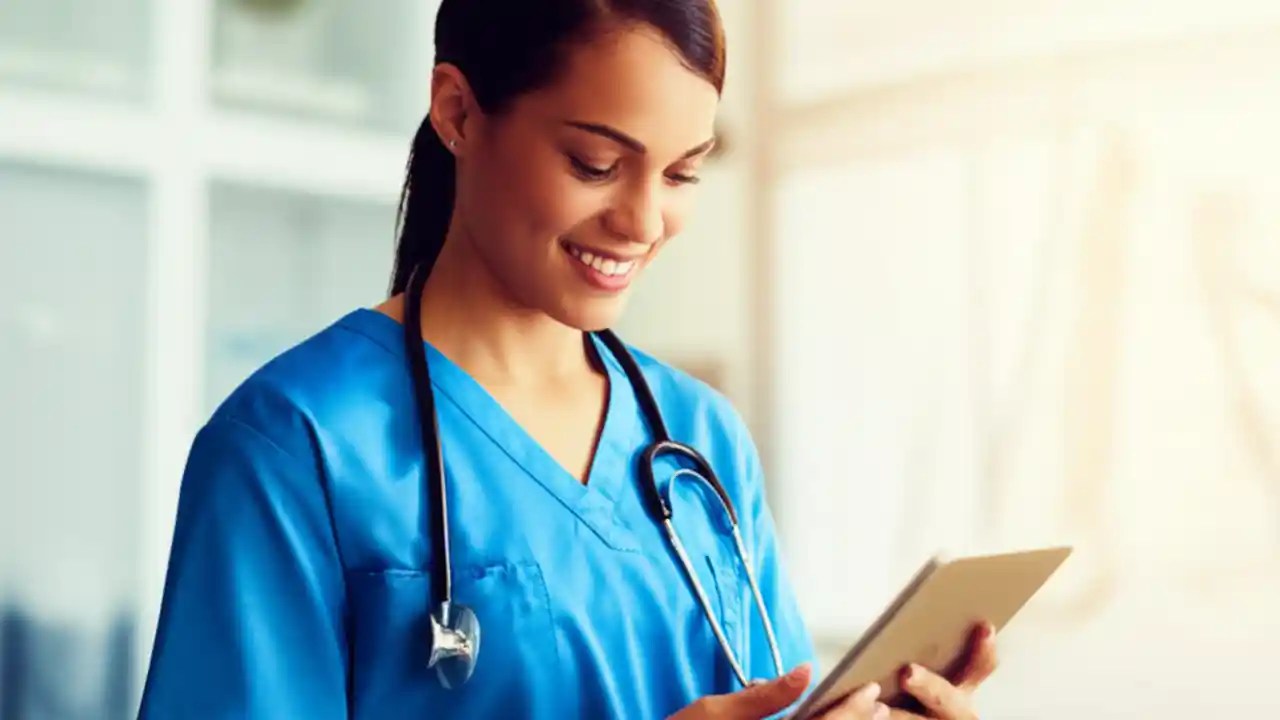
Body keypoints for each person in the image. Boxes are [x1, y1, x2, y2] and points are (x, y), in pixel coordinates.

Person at [138, 1, 998, 718]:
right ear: (458, 112)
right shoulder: (295, 448)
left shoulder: (701, 442)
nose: (644, 221)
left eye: (681, 175)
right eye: (596, 164)